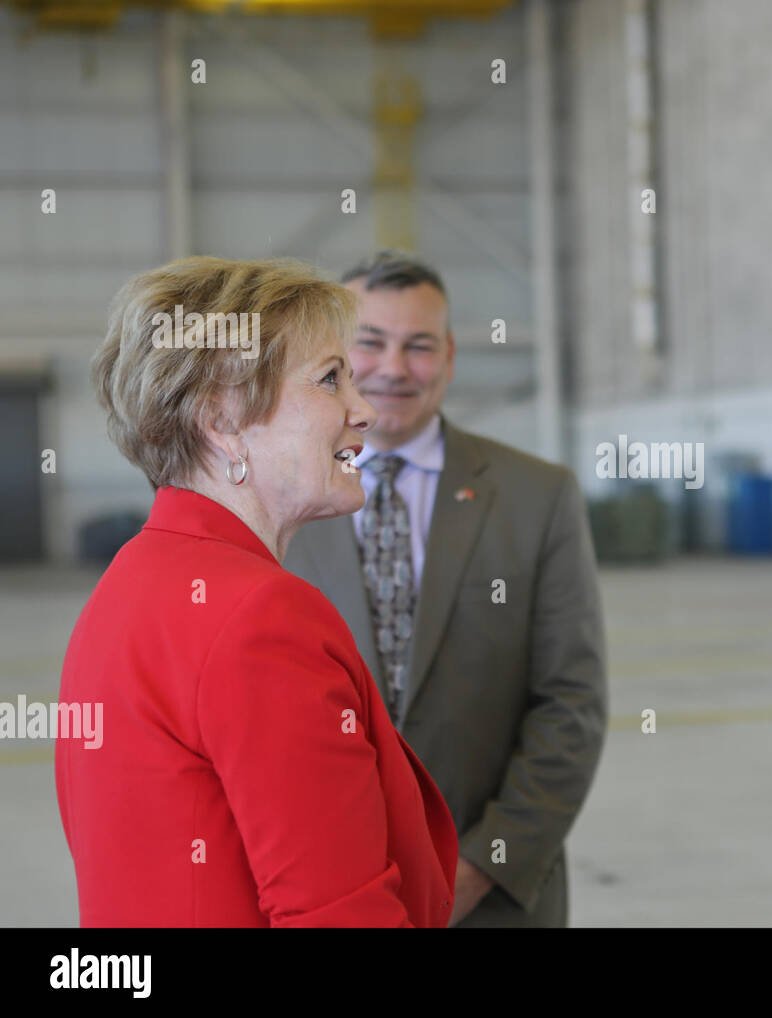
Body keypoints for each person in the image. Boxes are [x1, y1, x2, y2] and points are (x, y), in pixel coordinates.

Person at [57, 256, 459, 927]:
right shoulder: (261, 617)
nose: (363, 411)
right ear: (223, 421)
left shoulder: (132, 581)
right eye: (330, 379)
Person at [284, 251, 607, 928]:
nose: (395, 368)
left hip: (493, 897)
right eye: (369, 342)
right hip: (317, 891)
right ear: (334, 359)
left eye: (419, 346)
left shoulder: (537, 496)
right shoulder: (281, 501)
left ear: (450, 356)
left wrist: (479, 869)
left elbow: (570, 703)